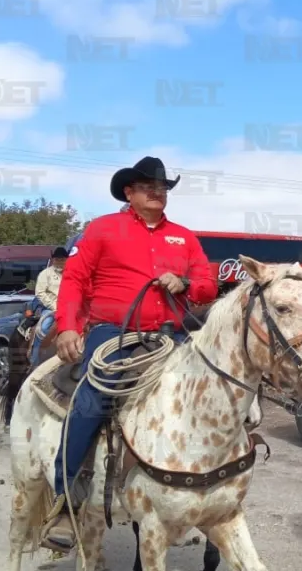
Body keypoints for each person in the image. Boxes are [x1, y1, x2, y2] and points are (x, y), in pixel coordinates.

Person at [41, 156, 218, 555]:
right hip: (113, 334)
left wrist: (186, 281)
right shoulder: (103, 229)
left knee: (210, 400)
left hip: (170, 335)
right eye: (148, 186)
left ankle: (200, 499)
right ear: (129, 192)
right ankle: (66, 503)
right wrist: (68, 325)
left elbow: (208, 286)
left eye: (163, 187)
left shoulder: (184, 237)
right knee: (90, 402)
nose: (158, 192)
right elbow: (74, 280)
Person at [28, 246, 67, 366]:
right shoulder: (45, 274)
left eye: (62, 259)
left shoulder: (72, 273)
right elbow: (40, 292)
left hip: (70, 308)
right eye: (57, 259)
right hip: (50, 309)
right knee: (43, 329)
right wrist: (54, 306)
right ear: (53, 259)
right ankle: (35, 361)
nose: (60, 262)